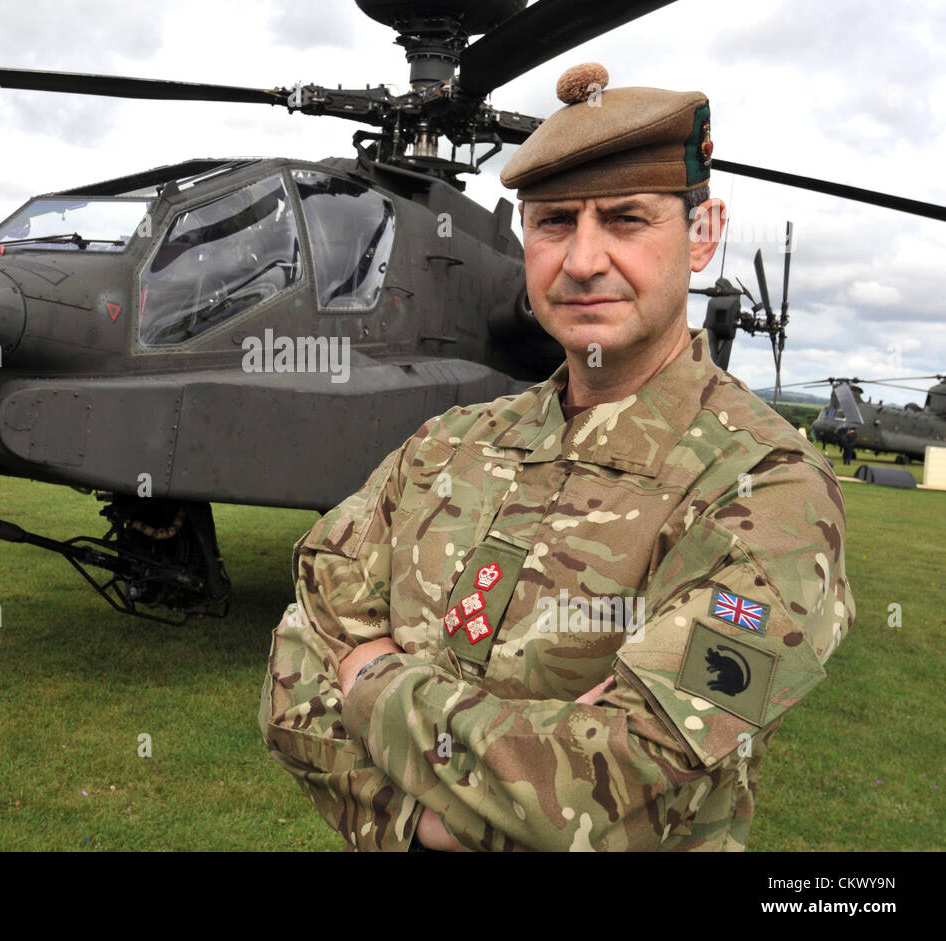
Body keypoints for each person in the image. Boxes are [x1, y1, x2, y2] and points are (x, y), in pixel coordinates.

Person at [258, 62, 853, 852]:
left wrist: (369, 675)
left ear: (702, 234)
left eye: (627, 219)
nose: (582, 260)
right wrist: (412, 825)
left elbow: (600, 778)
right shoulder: (449, 444)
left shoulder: (770, 491)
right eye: (554, 222)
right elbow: (297, 660)